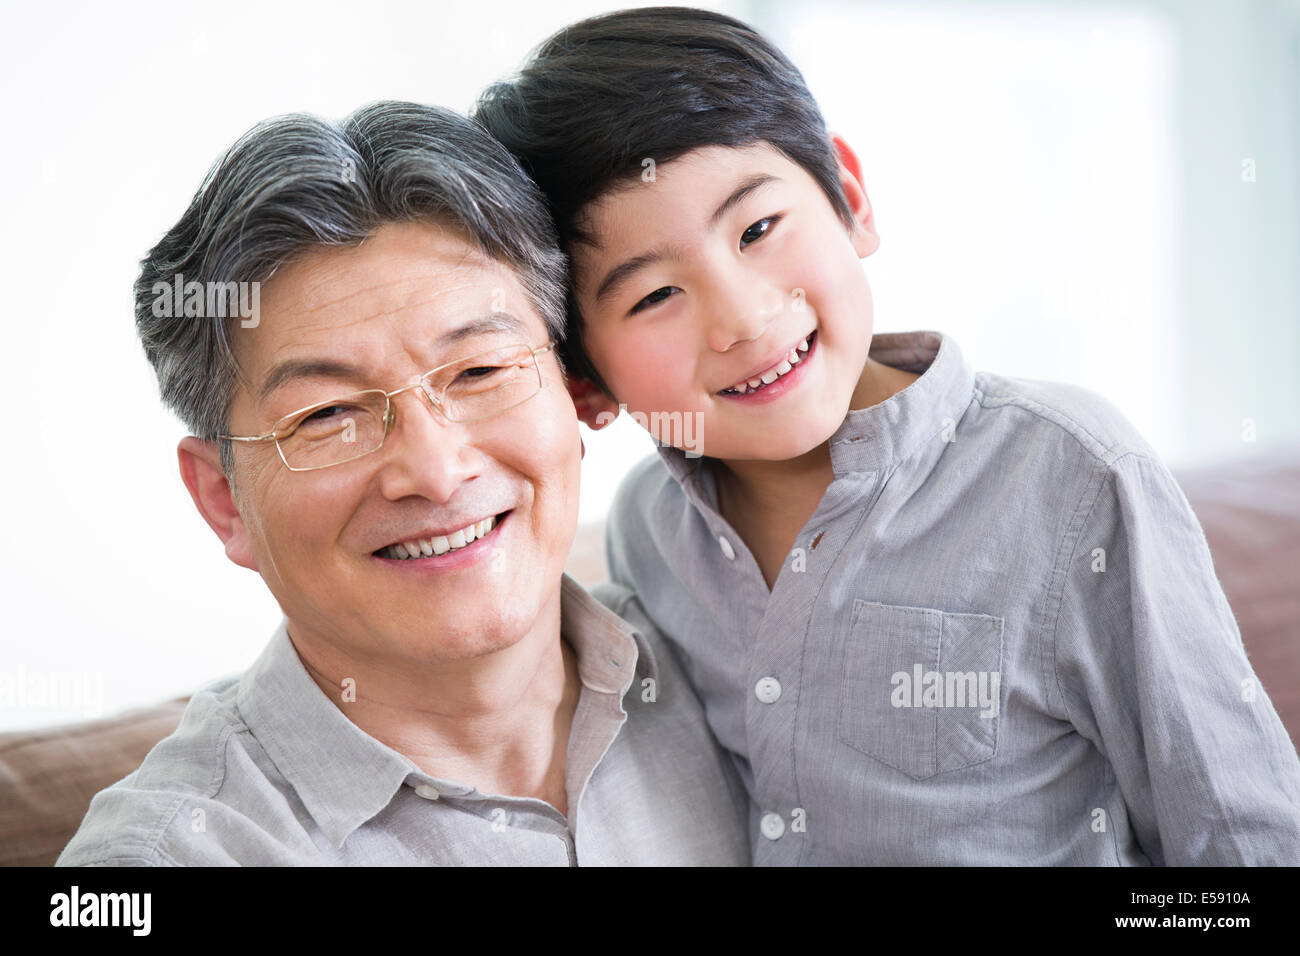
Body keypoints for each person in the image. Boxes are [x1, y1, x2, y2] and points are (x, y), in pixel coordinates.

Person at [474, 6, 1300, 864]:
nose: (743, 317)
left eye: (758, 230)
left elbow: (1245, 849)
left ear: (850, 199)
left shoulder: (1072, 476)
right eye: (652, 296)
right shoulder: (652, 527)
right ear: (586, 382)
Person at [56, 101, 749, 866]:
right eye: (326, 416)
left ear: (576, 386)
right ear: (224, 501)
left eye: (481, 370)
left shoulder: (736, 660)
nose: (434, 468)